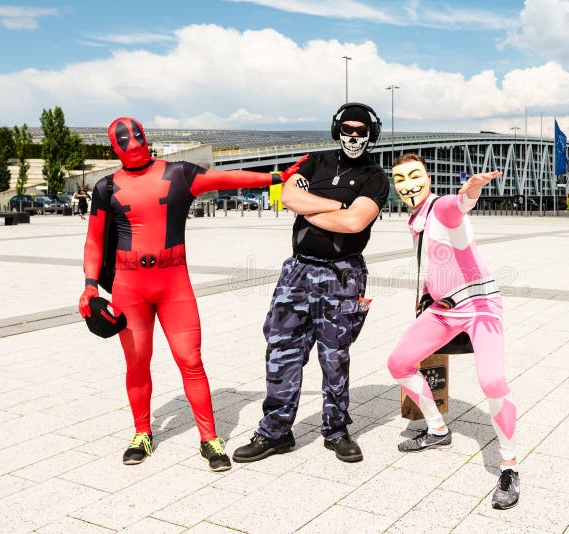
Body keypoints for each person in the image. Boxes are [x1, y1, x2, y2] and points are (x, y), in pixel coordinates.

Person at [78, 117, 306, 471]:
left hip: (173, 285)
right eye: (123, 140)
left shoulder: (178, 173)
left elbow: (227, 178)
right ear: (115, 147)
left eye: (136, 136)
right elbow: (94, 239)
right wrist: (90, 285)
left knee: (190, 361)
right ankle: (142, 432)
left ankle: (209, 438)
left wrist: (276, 177)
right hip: (129, 287)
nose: (132, 143)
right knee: (136, 364)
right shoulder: (106, 187)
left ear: (145, 138)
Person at [233, 103, 388, 464]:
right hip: (298, 271)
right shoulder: (314, 162)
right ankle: (275, 432)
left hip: (342, 274)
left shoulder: (374, 176)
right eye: (347, 129)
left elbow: (354, 223)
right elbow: (288, 197)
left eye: (361, 131)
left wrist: (311, 207)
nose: (354, 137)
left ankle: (336, 431)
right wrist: (338, 206)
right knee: (281, 350)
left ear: (371, 135)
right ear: (337, 130)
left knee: (335, 355)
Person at [386, 153, 519, 510]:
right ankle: (437, 429)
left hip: (479, 307)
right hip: (444, 309)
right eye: (400, 179)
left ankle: (509, 465)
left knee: (492, 382)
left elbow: (456, 207)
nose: (408, 184)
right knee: (399, 363)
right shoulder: (416, 218)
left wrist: (469, 192)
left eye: (415, 175)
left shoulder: (441, 207)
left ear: (428, 178)